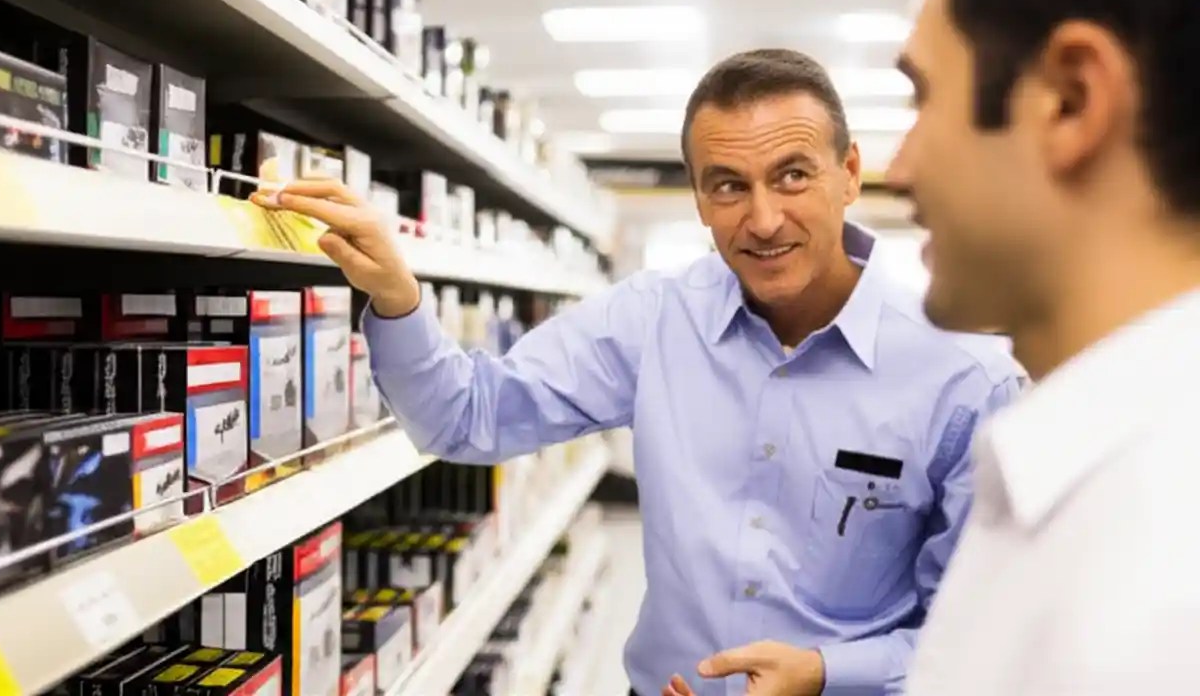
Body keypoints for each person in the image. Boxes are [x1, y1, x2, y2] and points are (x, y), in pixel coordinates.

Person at [257, 49, 1022, 696]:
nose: (761, 219)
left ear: (848, 174)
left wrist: (825, 672)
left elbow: (977, 632)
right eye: (728, 184)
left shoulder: (962, 378)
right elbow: (465, 416)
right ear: (698, 197)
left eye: (792, 175)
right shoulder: (654, 320)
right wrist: (396, 294)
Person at [886, 0, 1200, 694]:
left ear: (1069, 101)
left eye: (923, 96)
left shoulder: (1161, 591)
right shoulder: (1086, 471)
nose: (898, 168)